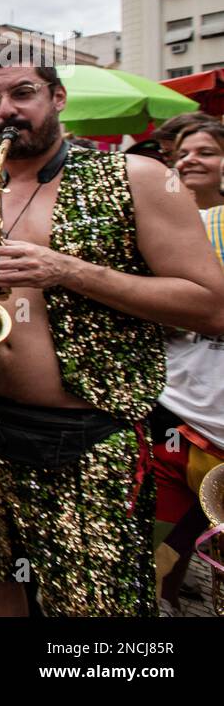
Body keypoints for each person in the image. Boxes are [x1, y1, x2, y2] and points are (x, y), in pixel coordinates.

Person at [0, 62, 224, 617]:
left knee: (98, 608)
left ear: (58, 97)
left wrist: (71, 271)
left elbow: (212, 307)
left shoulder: (135, 177)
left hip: (88, 436)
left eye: (22, 93)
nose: (6, 111)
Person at [152, 121, 224, 613]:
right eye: (183, 153)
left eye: (208, 151)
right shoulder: (155, 228)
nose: (191, 159)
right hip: (172, 417)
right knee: (159, 557)